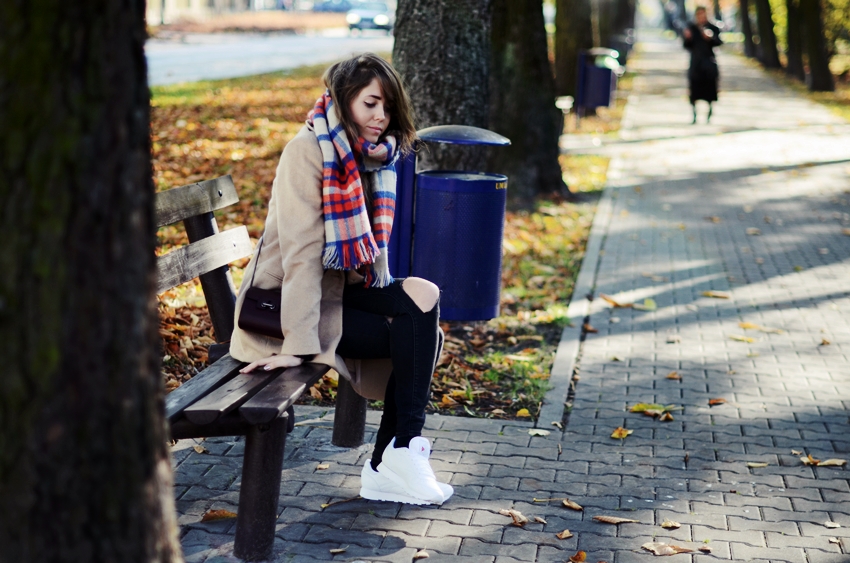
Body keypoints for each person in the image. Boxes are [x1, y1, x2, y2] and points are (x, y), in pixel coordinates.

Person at [229, 53, 453, 506]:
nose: (381, 117)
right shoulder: (307, 151)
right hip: (284, 307)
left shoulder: (370, 157)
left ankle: (400, 452)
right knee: (410, 336)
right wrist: (295, 345)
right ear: (344, 99)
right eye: (371, 104)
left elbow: (361, 255)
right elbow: (302, 257)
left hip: (339, 292)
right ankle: (393, 460)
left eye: (388, 107)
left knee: (423, 298)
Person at [683, 7, 722, 123]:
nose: (701, 17)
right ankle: (694, 114)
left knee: (709, 88)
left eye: (703, 14)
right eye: (699, 15)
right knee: (694, 89)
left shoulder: (713, 27)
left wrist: (710, 38)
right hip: (696, 63)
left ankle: (709, 112)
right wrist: (688, 38)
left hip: (709, 62)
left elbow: (719, 42)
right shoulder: (692, 28)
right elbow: (686, 46)